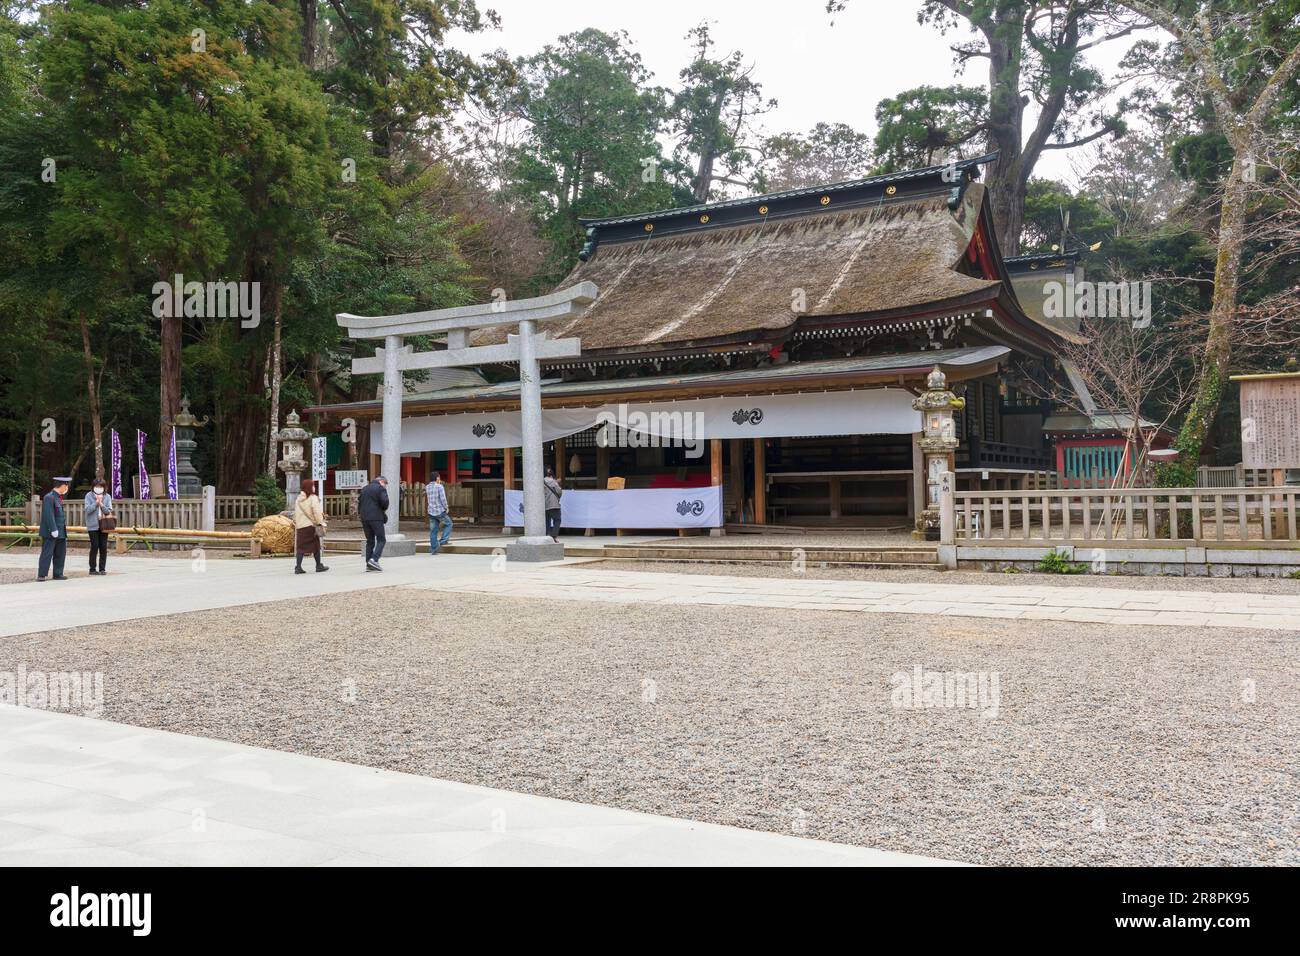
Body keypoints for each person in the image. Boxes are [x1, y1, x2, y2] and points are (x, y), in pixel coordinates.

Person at [37, 476, 71, 582]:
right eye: (66, 486)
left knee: (60, 553)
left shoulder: (58, 497)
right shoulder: (49, 497)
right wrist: (53, 529)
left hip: (60, 530)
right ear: (62, 486)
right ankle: (42, 575)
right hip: (51, 531)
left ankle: (58, 573)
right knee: (47, 553)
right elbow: (48, 515)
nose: (67, 488)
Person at [292, 479, 329, 575]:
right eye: (313, 485)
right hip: (311, 525)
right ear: (309, 487)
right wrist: (320, 522)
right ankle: (318, 565)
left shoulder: (298, 499)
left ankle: (298, 567)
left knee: (300, 547)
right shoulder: (313, 498)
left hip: (300, 526)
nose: (314, 487)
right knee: (316, 546)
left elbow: (296, 513)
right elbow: (316, 512)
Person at [358, 474, 389, 571]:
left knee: (370, 541)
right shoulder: (380, 488)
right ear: (382, 482)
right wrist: (382, 509)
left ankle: (368, 564)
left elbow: (360, 503)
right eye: (385, 484)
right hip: (376, 517)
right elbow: (385, 502)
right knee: (381, 539)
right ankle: (374, 559)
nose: (385, 486)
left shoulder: (365, 488)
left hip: (364, 518)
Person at [84, 477, 113, 576]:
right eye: (96, 486)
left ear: (104, 487)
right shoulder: (88, 495)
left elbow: (108, 511)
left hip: (104, 524)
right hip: (92, 525)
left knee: (103, 547)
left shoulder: (107, 496)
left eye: (101, 486)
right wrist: (96, 503)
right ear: (93, 487)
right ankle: (92, 569)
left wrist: (101, 504)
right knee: (94, 546)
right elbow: (87, 510)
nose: (99, 488)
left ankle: (102, 568)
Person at [426, 471, 452, 555]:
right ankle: (443, 541)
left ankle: (434, 549)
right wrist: (446, 507)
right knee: (449, 524)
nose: (439, 479)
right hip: (439, 511)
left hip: (431, 511)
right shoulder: (439, 486)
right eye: (439, 477)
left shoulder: (427, 487)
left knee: (433, 531)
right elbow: (443, 499)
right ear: (437, 478)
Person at [543, 466, 564, 542]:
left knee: (546, 521)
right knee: (557, 520)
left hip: (544, 505)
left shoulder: (540, 482)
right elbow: (559, 491)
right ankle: (553, 536)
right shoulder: (553, 481)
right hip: (554, 504)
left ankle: (547, 534)